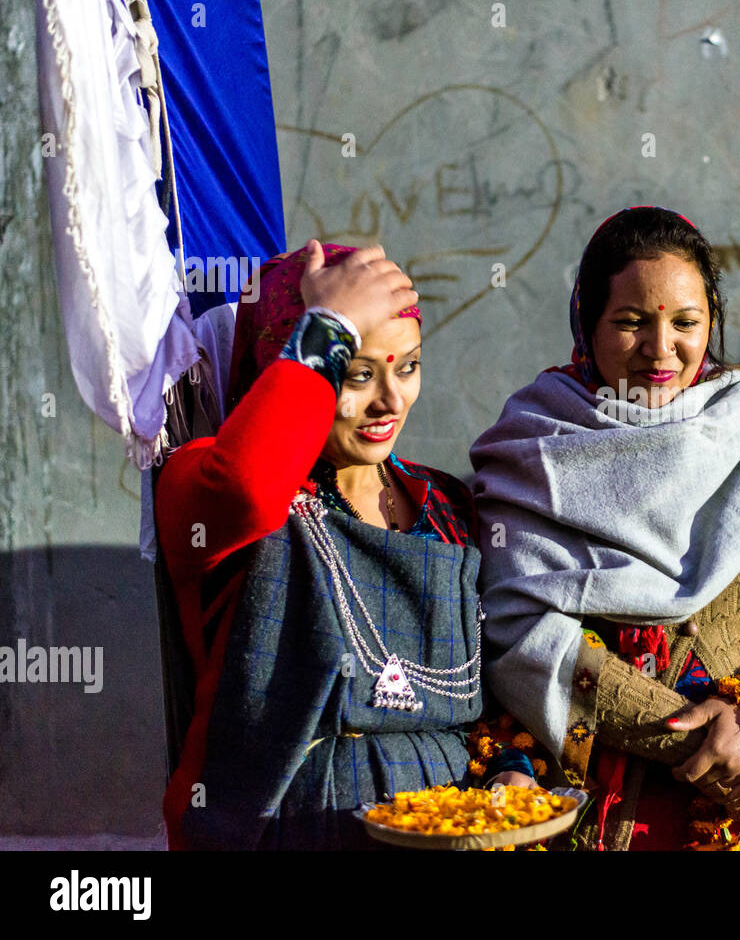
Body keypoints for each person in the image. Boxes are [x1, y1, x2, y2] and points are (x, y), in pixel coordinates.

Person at [471, 207, 740, 850]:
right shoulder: (537, 446)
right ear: (588, 323)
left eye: (685, 322)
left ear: (711, 323)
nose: (660, 349)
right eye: (631, 322)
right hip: (592, 811)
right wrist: (692, 739)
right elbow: (518, 627)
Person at [157, 241, 507, 849]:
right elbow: (247, 486)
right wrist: (330, 326)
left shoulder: (446, 505)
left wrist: (510, 771)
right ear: (289, 362)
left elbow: (492, 689)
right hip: (294, 828)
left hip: (450, 827)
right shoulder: (206, 486)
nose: (389, 402)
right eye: (356, 374)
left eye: (407, 367)